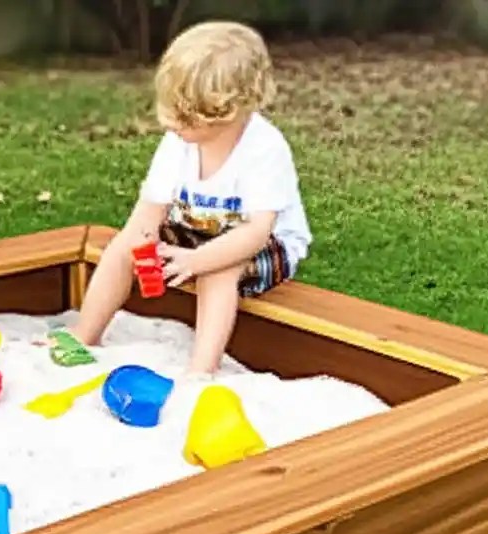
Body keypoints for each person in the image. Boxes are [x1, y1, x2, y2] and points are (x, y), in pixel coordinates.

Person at [58, 20, 312, 378]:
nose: (171, 124)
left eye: (185, 116)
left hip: (265, 245)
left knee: (217, 271)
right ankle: (85, 335)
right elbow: (149, 211)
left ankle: (200, 371)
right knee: (124, 243)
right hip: (197, 231)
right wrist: (140, 241)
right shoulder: (179, 141)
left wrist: (197, 260)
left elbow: (256, 233)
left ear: (226, 112)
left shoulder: (263, 148)